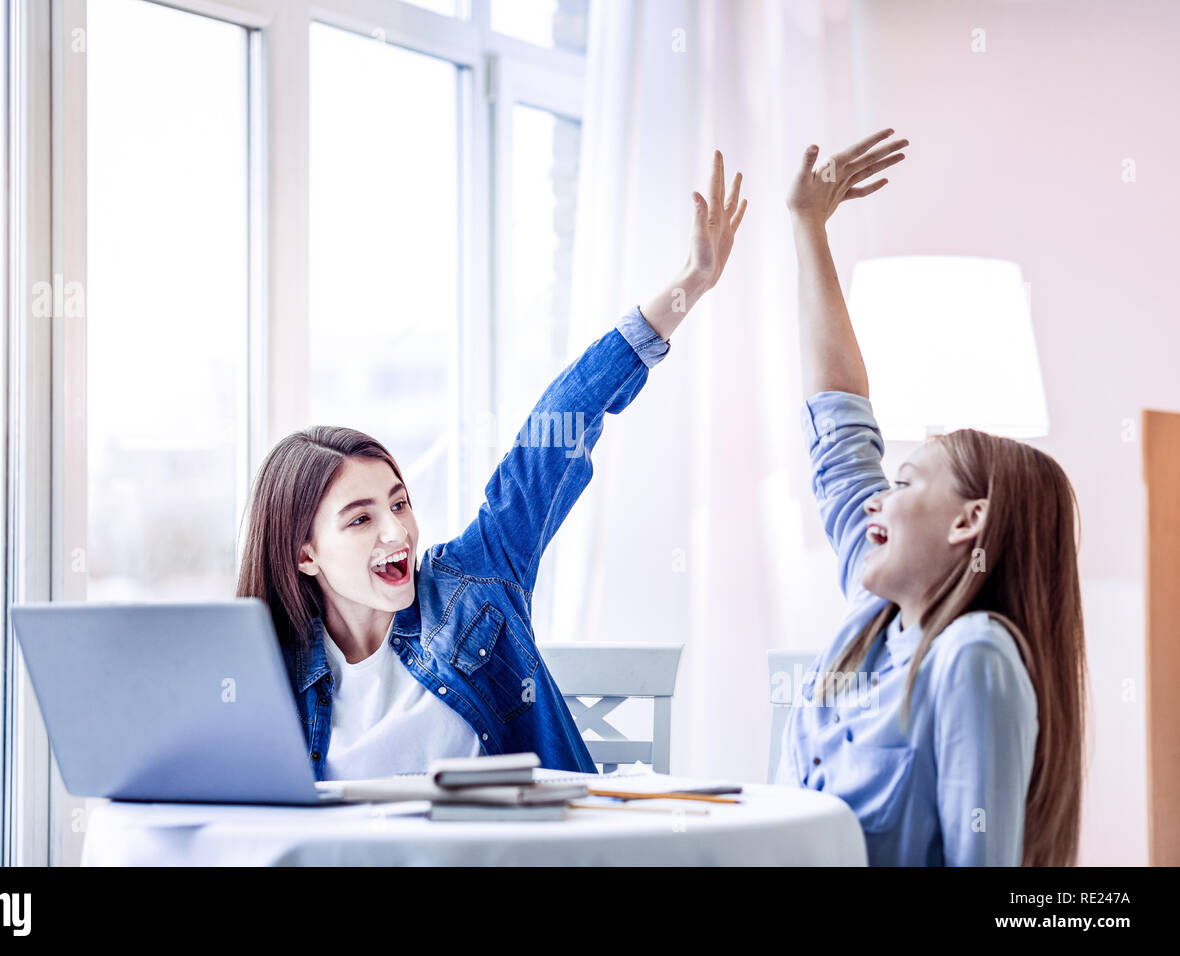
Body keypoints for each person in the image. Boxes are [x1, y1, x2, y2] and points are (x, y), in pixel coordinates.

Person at [236, 151, 749, 782]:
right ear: (304, 553)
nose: (396, 532)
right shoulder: (270, 678)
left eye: (398, 503)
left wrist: (688, 285)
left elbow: (554, 432)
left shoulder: (473, 587)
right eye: (360, 518)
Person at [775, 128, 1087, 866]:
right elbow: (839, 419)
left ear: (969, 521)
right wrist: (807, 229)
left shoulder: (971, 659)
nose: (876, 498)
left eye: (906, 481)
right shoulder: (874, 610)